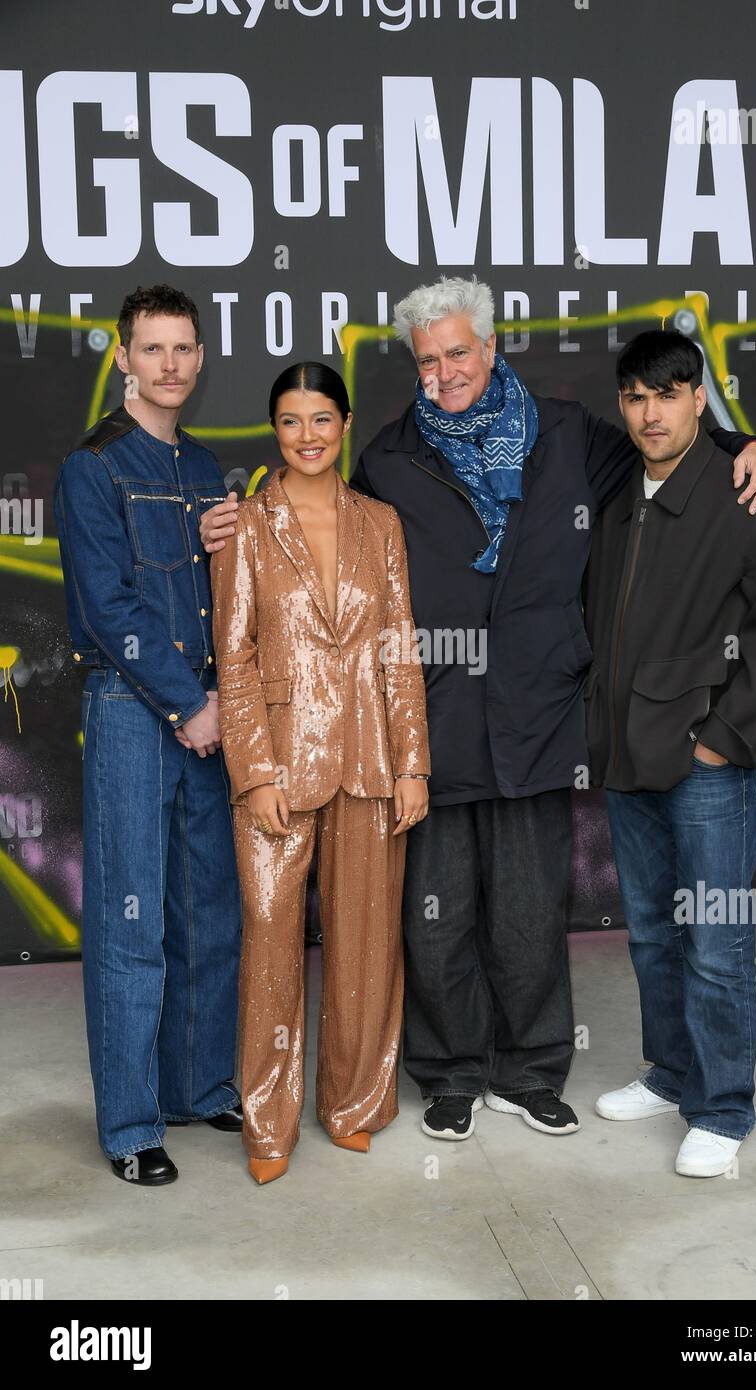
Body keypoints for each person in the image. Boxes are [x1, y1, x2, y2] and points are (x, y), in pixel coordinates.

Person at [201, 277, 756, 1144]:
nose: (443, 372)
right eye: (427, 360)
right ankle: (450, 1074)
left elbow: (670, 447)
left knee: (528, 908)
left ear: (491, 348)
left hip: (540, 707)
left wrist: (751, 446)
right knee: (435, 912)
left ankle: (532, 1069)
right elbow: (334, 543)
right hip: (429, 718)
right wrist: (236, 524)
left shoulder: (567, 434)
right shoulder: (391, 457)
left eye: (458, 353)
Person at [585, 330, 756, 1176]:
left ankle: (722, 1108)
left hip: (705, 762)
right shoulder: (615, 489)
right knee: (649, 932)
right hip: (625, 755)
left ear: (697, 397)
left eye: (669, 395)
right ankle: (673, 1074)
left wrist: (723, 741)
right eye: (636, 397)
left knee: (715, 944)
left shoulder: (745, 493)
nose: (651, 413)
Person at [210, 362, 429, 1185]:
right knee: (270, 949)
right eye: (291, 421)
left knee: (368, 945)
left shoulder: (381, 523)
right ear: (275, 430)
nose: (308, 436)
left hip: (372, 762)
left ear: (345, 423)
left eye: (322, 420)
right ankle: (268, 1122)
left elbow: (400, 648)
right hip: (276, 769)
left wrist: (413, 764)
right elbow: (233, 659)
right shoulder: (244, 526)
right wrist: (255, 771)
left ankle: (355, 1102)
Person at [53, 285, 243, 1186]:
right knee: (132, 921)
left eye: (184, 349)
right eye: (152, 349)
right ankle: (131, 1126)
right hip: (136, 712)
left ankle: (200, 1088)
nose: (169, 365)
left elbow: (224, 596)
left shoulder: (208, 469)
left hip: (212, 714)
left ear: (201, 358)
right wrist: (186, 703)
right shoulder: (92, 466)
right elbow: (107, 603)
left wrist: (221, 547)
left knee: (208, 912)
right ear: (124, 358)